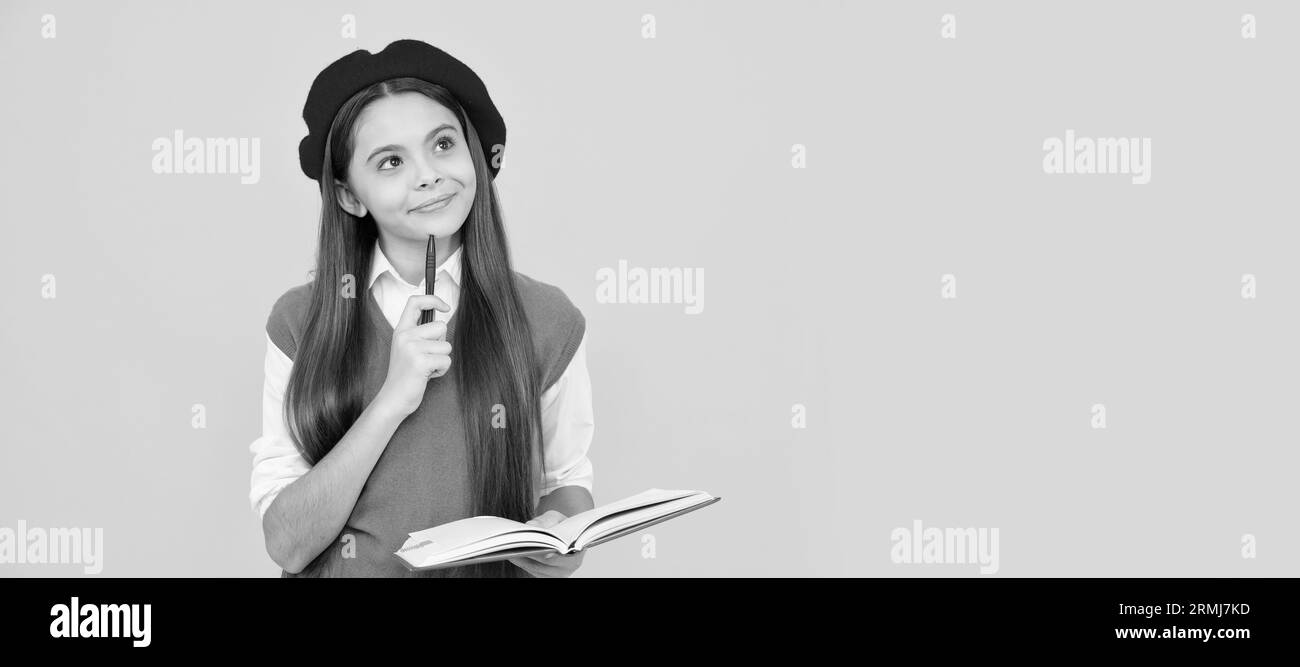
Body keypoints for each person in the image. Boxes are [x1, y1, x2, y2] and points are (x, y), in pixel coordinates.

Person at [249, 40, 594, 577]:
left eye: (443, 144)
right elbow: (287, 544)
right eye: (390, 162)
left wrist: (559, 543)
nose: (428, 175)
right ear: (349, 196)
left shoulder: (548, 320)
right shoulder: (299, 324)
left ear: (474, 154)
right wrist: (392, 399)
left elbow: (566, 484)